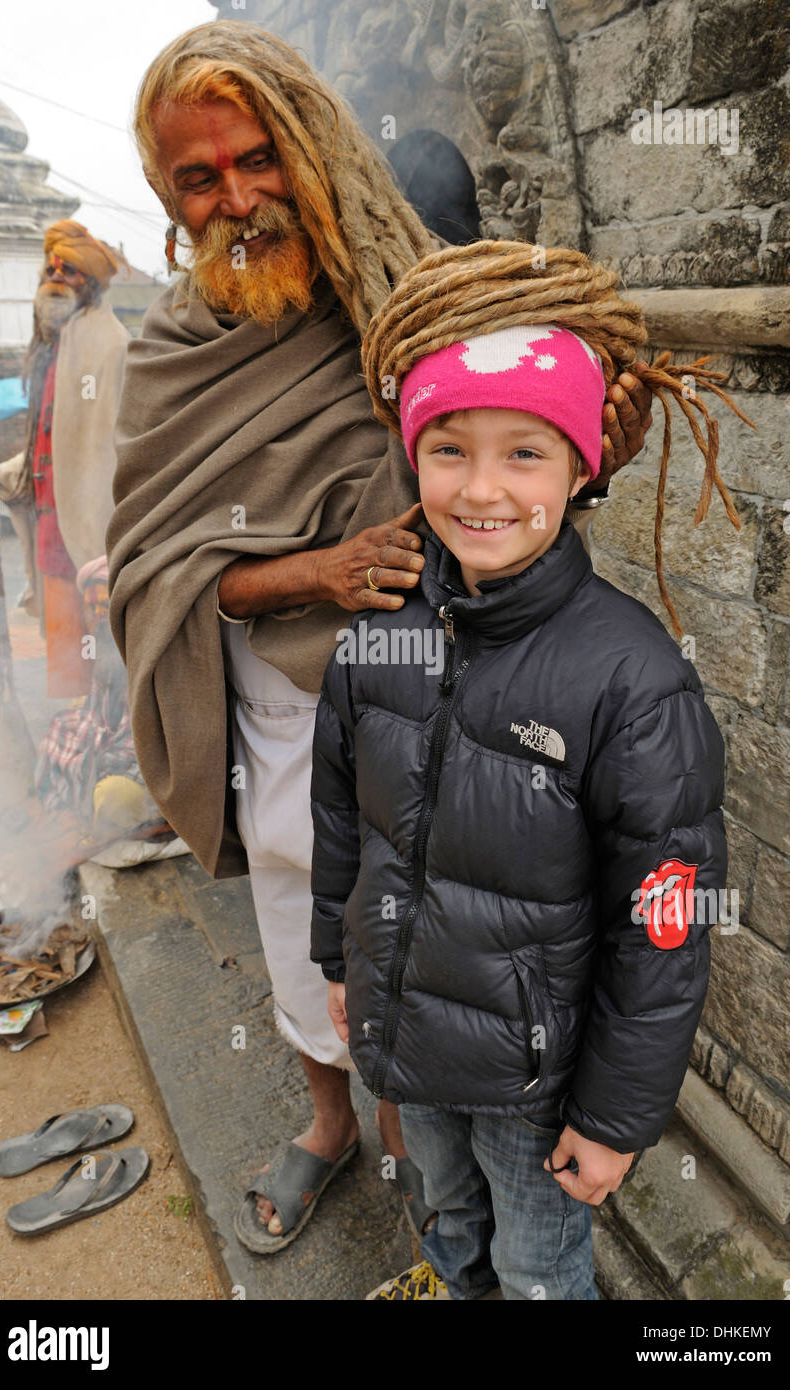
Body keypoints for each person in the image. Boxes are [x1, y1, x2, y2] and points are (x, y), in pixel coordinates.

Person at [107, 20, 655, 1252]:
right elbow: (158, 570)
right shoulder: (168, 352)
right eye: (201, 177)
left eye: (258, 158)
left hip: (425, 692)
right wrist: (315, 568)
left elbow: (492, 478)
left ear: (307, 146)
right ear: (168, 191)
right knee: (303, 924)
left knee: (410, 937)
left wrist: (589, 462)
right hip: (277, 703)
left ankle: (423, 1157)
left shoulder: (412, 300)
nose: (238, 197)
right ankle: (327, 1126)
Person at [310, 240, 749, 1299]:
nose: (480, 490)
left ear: (579, 467)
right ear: (413, 454)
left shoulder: (630, 679)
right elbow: (340, 816)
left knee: (538, 1264)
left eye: (523, 454)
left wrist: (611, 1118)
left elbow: (663, 919)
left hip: (530, 1081)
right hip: (403, 1025)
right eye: (449, 448)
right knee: (443, 1211)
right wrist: (336, 956)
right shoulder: (378, 635)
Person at [0, 221, 128, 697]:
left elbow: (110, 447)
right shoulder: (51, 344)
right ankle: (69, 744)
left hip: (90, 532)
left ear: (92, 282)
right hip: (50, 526)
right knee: (65, 661)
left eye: (71, 271)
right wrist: (10, 474)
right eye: (52, 269)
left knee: (107, 662)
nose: (58, 279)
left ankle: (105, 752)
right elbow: (50, 441)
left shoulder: (111, 345)